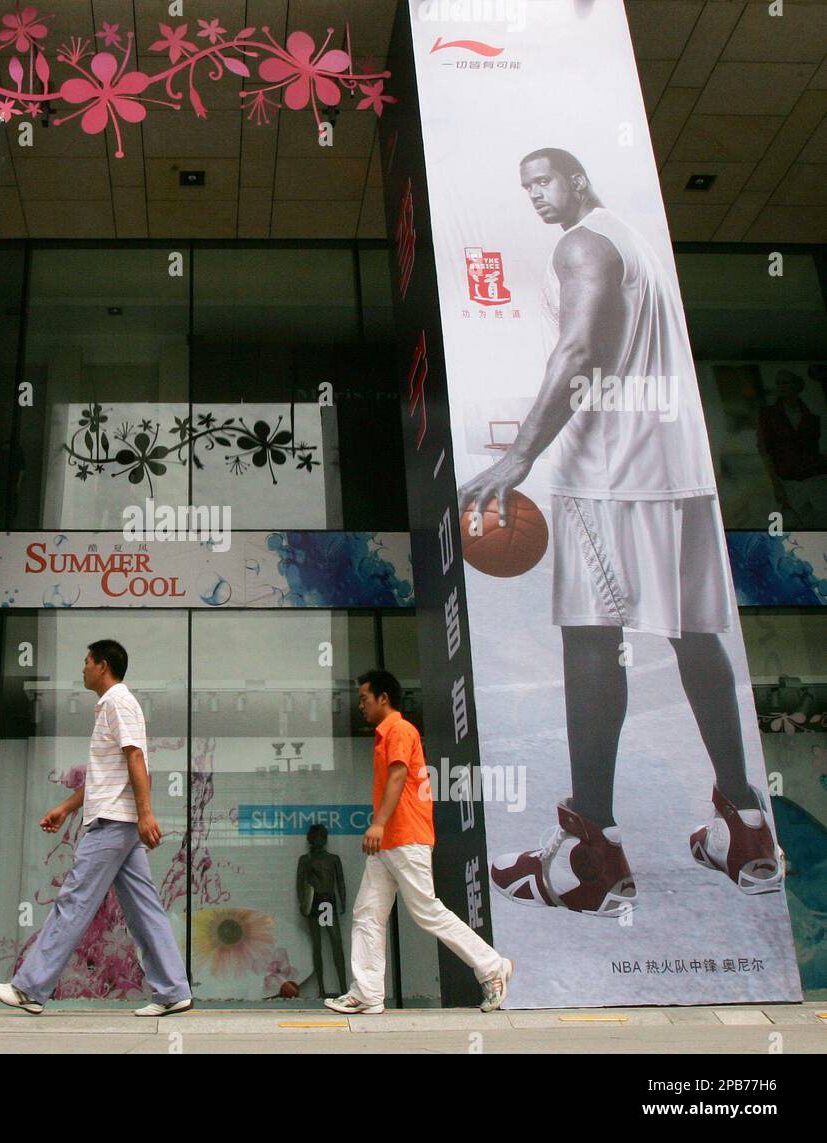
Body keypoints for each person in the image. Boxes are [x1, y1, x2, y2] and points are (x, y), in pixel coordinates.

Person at [459, 148, 782, 916]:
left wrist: (520, 454)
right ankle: (745, 828)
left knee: (590, 639)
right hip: (679, 471)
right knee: (697, 637)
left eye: (544, 181)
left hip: (609, 475)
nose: (536, 195)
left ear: (575, 178)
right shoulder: (631, 239)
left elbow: (578, 351)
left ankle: (591, 852)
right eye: (525, 185)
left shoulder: (582, 244)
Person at [0, 639, 193, 1017]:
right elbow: (107, 775)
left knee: (74, 900)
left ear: (102, 666)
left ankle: (29, 988)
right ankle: (173, 990)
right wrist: (65, 808)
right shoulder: (110, 706)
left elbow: (136, 757)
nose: (81, 669)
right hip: (119, 820)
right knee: (144, 910)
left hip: (114, 823)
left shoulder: (118, 702)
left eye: (85, 662)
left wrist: (146, 813)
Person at [325, 670, 512, 1015]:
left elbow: (398, 775)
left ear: (384, 698)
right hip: (390, 844)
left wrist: (378, 824)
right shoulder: (386, 734)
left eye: (365, 697)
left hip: (405, 838)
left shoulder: (398, 730)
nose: (361, 704)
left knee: (427, 911)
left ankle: (491, 966)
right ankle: (367, 993)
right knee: (367, 914)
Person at [757, 367, 827, 528]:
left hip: (816, 478)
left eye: (786, 383)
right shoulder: (769, 415)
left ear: (796, 386)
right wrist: (775, 483)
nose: (782, 387)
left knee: (820, 521)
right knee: (795, 523)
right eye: (779, 383)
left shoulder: (811, 416)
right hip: (789, 479)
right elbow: (765, 450)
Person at [297, 824, 347, 998]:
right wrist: (303, 905)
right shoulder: (306, 859)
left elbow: (340, 882)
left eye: (321, 838)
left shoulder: (333, 859)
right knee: (317, 945)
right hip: (314, 902)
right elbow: (300, 885)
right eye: (316, 838)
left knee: (336, 943)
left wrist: (343, 901)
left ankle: (343, 988)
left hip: (327, 901)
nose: (319, 841)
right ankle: (322, 989)